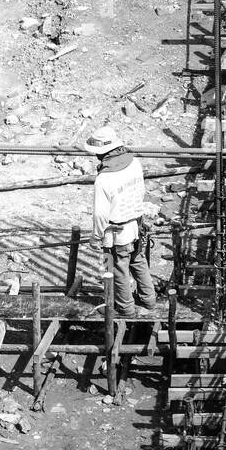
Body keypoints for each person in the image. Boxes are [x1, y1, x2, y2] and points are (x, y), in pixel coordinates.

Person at [85, 126, 156, 316]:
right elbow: (141, 191)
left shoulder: (104, 179)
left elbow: (100, 215)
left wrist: (96, 237)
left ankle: (125, 309)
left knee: (118, 268)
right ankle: (149, 300)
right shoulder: (134, 163)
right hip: (137, 224)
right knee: (138, 261)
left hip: (118, 232)